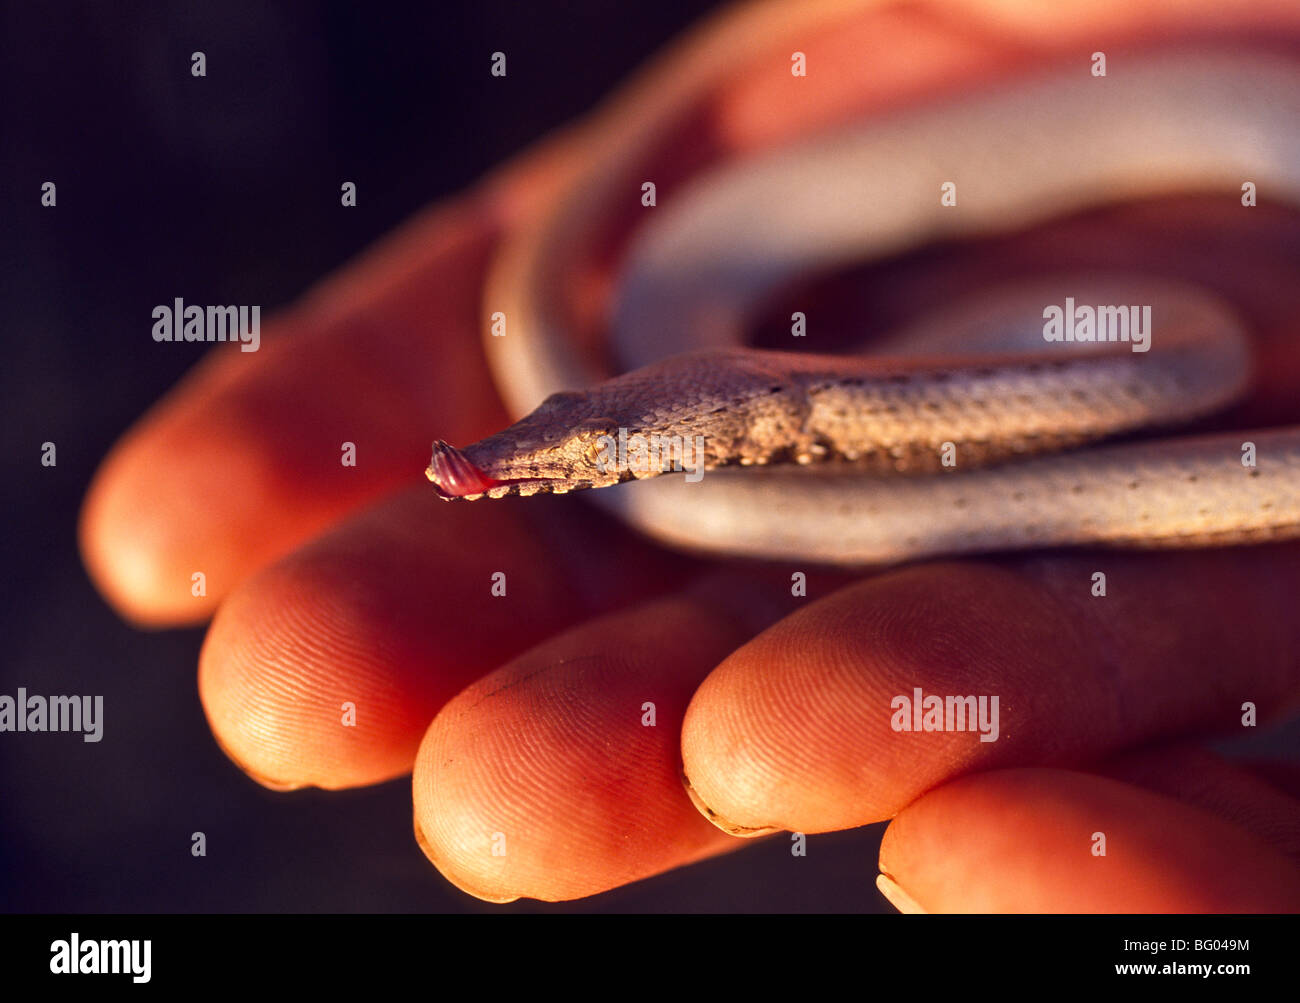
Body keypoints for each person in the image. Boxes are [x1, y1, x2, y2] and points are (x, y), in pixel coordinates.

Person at [79, 0, 1300, 908]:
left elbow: (1187, 365)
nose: (580, 451)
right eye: (596, 453)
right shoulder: (742, 389)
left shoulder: (1161, 352)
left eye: (603, 449)